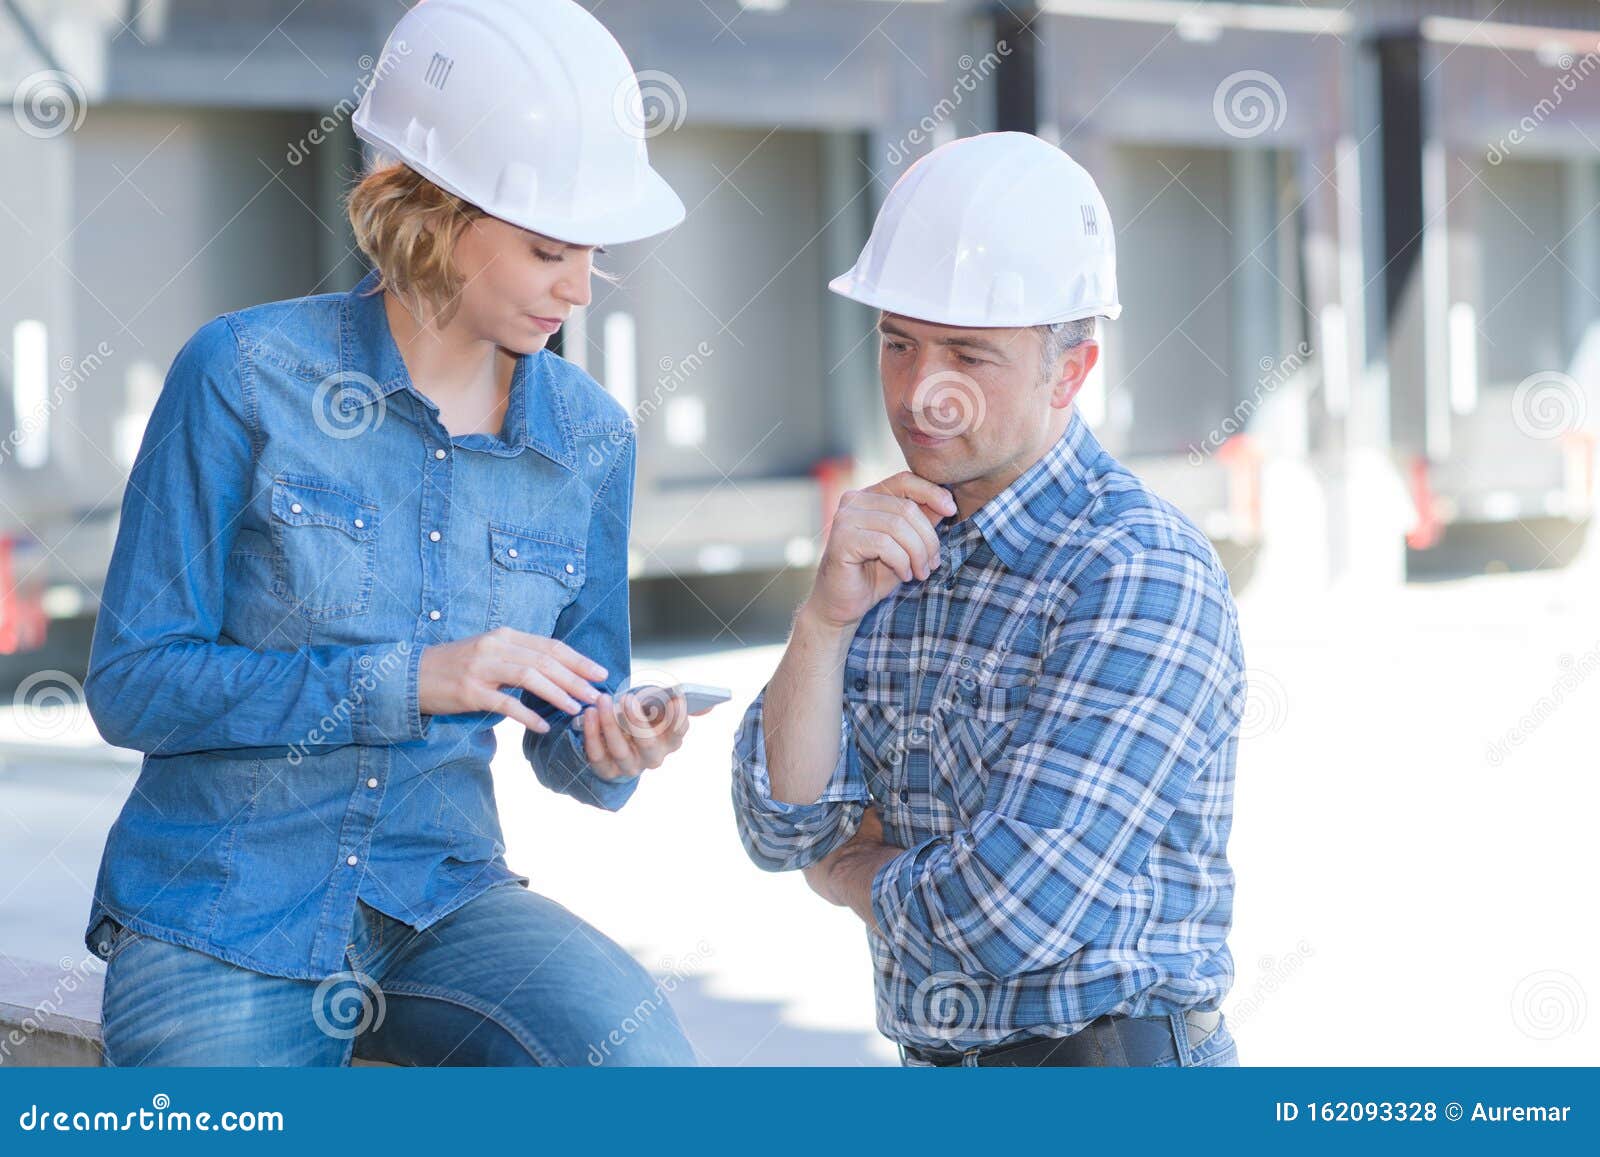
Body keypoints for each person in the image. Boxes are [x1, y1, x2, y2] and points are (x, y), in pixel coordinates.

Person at [82, 0, 702, 1067]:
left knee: (644, 1072)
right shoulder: (242, 374)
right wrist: (410, 677)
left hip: (442, 901)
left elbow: (573, 728)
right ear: (428, 214)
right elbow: (134, 681)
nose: (580, 286)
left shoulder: (590, 438)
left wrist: (613, 741)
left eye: (590, 251)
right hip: (225, 905)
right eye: (549, 248)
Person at [730, 132, 1246, 1067]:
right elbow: (780, 826)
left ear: (1071, 371)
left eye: (970, 356)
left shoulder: (1135, 568)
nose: (925, 392)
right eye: (898, 344)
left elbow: (1013, 909)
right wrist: (823, 622)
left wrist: (851, 874)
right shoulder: (883, 548)